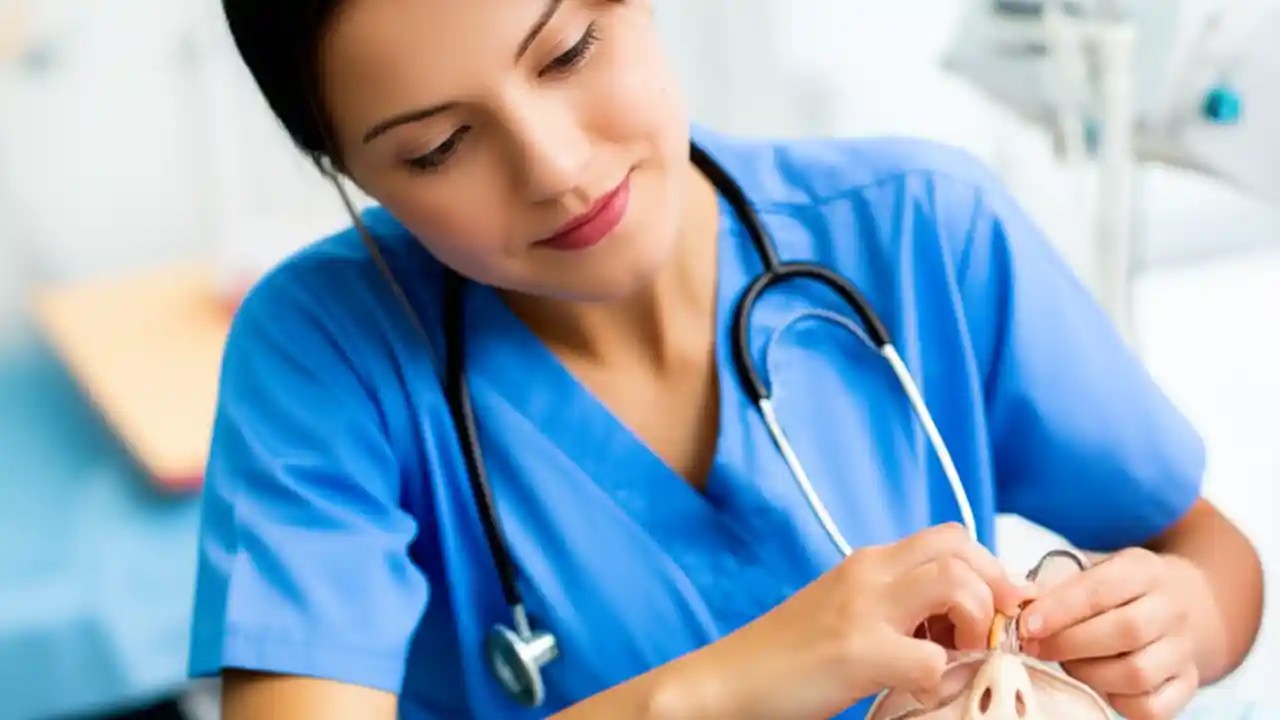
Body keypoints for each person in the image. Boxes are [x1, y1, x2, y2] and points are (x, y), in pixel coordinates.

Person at [188, 1, 1265, 718]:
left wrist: (1178, 624)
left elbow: (1207, 553)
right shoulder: (325, 356)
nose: (554, 167)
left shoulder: (922, 231)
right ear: (350, 171)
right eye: (438, 148)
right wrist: (724, 688)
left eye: (568, 52)